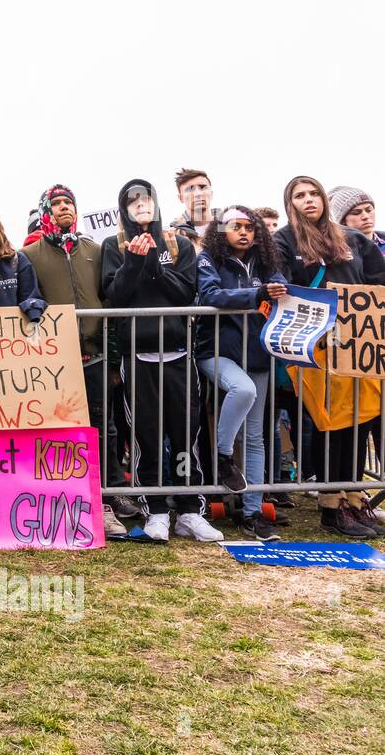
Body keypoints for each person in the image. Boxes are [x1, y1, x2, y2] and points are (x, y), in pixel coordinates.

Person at [100, 179, 221, 542]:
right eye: (132, 199)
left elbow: (185, 292)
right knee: (146, 438)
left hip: (179, 355)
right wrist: (134, 264)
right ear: (123, 207)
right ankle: (155, 511)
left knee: (187, 434)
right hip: (138, 356)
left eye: (146, 197)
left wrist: (153, 264)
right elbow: (114, 297)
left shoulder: (177, 243)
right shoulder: (113, 245)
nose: (141, 204)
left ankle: (189, 511)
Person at [274, 175, 385, 537]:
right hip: (317, 347)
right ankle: (331, 504)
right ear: (290, 203)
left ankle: (354, 499)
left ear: (323, 198)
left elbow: (377, 279)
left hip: (357, 343)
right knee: (331, 424)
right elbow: (281, 283)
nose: (308, 201)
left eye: (313, 194)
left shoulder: (351, 238)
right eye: (299, 195)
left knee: (360, 421)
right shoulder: (283, 240)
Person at [22, 183, 136, 530]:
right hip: (55, 359)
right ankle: (71, 494)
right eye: (56, 203)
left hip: (96, 353)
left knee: (106, 426)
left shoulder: (95, 249)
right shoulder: (29, 255)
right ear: (45, 211)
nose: (64, 208)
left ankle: (112, 491)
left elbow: (109, 298)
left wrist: (113, 355)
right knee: (64, 426)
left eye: (68, 202)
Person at [195, 207, 287, 540]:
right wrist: (258, 294)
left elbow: (282, 291)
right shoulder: (208, 258)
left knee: (255, 437)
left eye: (251, 227)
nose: (244, 232)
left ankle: (252, 513)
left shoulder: (267, 263)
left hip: (259, 354)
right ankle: (223, 455)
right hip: (216, 352)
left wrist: (276, 289)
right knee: (243, 390)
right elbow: (211, 295)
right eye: (236, 227)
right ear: (221, 231)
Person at [330, 186, 385, 255]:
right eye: (356, 213)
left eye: (369, 210)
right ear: (343, 220)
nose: (366, 216)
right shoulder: (337, 251)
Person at [172, 167, 217, 248]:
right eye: (189, 189)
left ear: (211, 194)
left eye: (203, 187)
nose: (198, 194)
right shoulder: (172, 236)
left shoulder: (229, 228)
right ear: (180, 198)